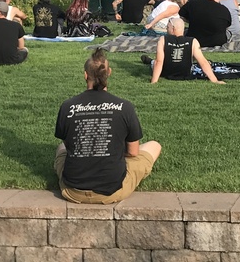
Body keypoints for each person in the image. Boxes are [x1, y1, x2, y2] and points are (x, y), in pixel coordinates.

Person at [53, 48, 162, 204]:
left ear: (85, 75)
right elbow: (133, 152)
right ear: (109, 72)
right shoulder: (124, 107)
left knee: (60, 149)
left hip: (72, 190)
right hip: (112, 191)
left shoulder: (67, 106)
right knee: (154, 145)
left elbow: (68, 144)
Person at [151, 17, 225, 83]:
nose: (166, 29)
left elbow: (159, 62)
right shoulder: (193, 41)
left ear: (173, 28)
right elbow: (203, 62)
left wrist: (154, 81)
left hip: (166, 72)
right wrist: (215, 80)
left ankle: (150, 61)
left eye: (167, 27)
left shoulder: (163, 39)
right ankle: (150, 61)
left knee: (154, 63)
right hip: (185, 73)